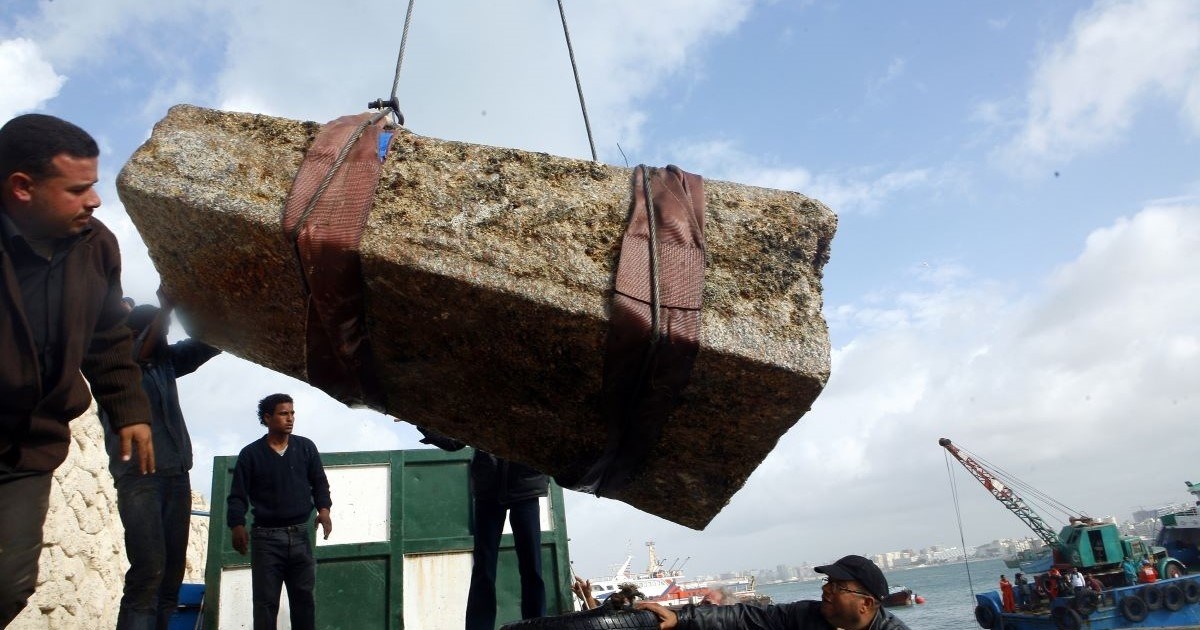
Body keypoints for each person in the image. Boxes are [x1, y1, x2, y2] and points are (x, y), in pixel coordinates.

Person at [0, 113, 154, 626]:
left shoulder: (97, 245)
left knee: (8, 583)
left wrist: (130, 408)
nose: (95, 200)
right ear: (22, 187)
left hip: (28, 446)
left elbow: (107, 335)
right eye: (78, 188)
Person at [99, 297, 221, 630]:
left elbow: (203, 347)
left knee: (170, 577)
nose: (167, 336)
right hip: (139, 479)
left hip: (176, 475)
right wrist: (165, 307)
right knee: (148, 570)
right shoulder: (118, 363)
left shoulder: (165, 362)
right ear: (137, 331)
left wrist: (233, 325)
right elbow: (139, 353)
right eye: (161, 330)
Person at [416, 428, 549, 630]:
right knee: (484, 568)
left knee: (532, 566)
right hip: (488, 488)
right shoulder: (480, 402)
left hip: (526, 486)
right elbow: (455, 441)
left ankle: (537, 626)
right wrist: (423, 422)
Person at [227, 394, 332, 630]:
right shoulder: (251, 454)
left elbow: (320, 482)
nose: (290, 418)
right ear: (268, 417)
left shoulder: (306, 447)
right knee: (265, 605)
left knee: (304, 602)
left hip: (300, 537)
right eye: (284, 413)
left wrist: (324, 510)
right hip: (266, 540)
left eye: (292, 413)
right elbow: (237, 496)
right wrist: (237, 525)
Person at [636, 555, 911, 630]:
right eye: (827, 581)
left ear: (865, 604)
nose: (825, 589)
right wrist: (681, 618)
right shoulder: (805, 615)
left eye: (837, 587)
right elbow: (745, 617)